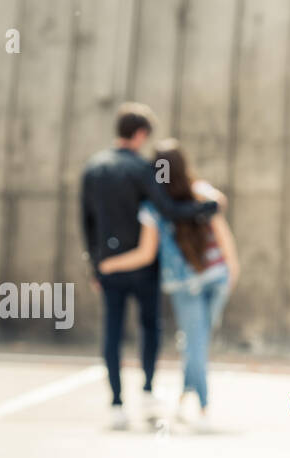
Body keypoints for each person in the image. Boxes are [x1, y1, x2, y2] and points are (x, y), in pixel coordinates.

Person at [80, 104, 218, 430]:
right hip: (144, 267)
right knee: (149, 327)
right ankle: (146, 389)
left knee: (112, 332)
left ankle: (116, 402)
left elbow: (87, 222)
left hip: (110, 267)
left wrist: (96, 266)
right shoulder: (144, 170)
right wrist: (207, 207)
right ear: (141, 134)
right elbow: (168, 209)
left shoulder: (94, 169)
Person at [96, 140, 239, 431]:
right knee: (198, 343)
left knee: (196, 344)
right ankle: (195, 400)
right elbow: (223, 234)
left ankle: (200, 405)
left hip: (186, 285)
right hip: (217, 277)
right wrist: (232, 272)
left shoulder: (153, 209)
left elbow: (145, 254)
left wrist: (109, 265)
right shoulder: (200, 193)